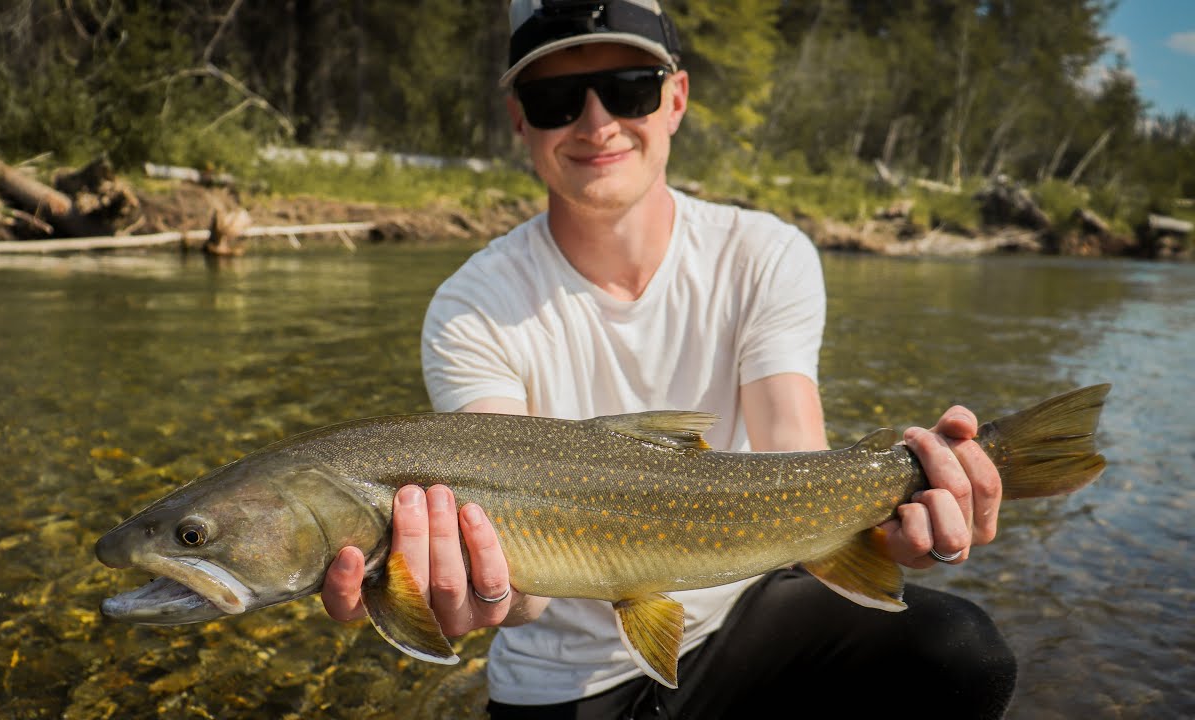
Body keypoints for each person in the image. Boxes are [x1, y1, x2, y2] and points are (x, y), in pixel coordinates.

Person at [321, 1, 1018, 717]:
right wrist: (481, 588)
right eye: (556, 99)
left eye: (630, 89)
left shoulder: (764, 255)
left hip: (747, 618)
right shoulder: (470, 308)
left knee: (959, 652)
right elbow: (517, 582)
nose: (596, 125)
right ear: (518, 120)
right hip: (564, 678)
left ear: (676, 97)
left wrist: (889, 525)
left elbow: (795, 454)